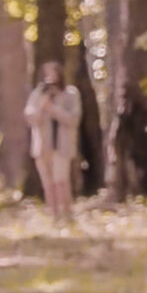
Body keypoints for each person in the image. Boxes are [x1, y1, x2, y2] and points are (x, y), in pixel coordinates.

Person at [24, 61, 83, 222]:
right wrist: (42, 107)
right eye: (47, 73)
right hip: (43, 145)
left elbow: (73, 119)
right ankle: (55, 217)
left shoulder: (70, 94)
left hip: (62, 146)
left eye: (53, 73)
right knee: (48, 184)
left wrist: (53, 109)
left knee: (61, 181)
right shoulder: (38, 94)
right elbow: (31, 117)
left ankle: (68, 215)